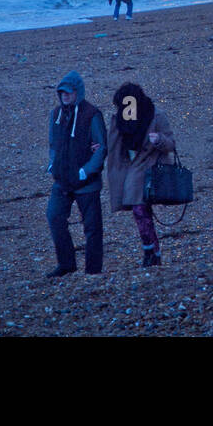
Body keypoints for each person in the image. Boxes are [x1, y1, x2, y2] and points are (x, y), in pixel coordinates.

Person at [106, 82, 177, 267]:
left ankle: (151, 253)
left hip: (150, 171)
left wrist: (159, 140)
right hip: (130, 172)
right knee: (141, 211)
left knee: (140, 210)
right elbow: (113, 148)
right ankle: (152, 252)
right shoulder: (119, 120)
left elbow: (171, 143)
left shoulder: (156, 116)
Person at [46, 70, 107, 277]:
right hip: (62, 180)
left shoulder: (92, 114)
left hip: (86, 182)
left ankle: (93, 270)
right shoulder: (56, 114)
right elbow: (53, 143)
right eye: (62, 92)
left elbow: (101, 148)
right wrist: (52, 165)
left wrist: (85, 172)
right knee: (54, 217)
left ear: (77, 92)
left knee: (92, 227)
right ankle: (66, 264)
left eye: (69, 92)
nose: (65, 95)